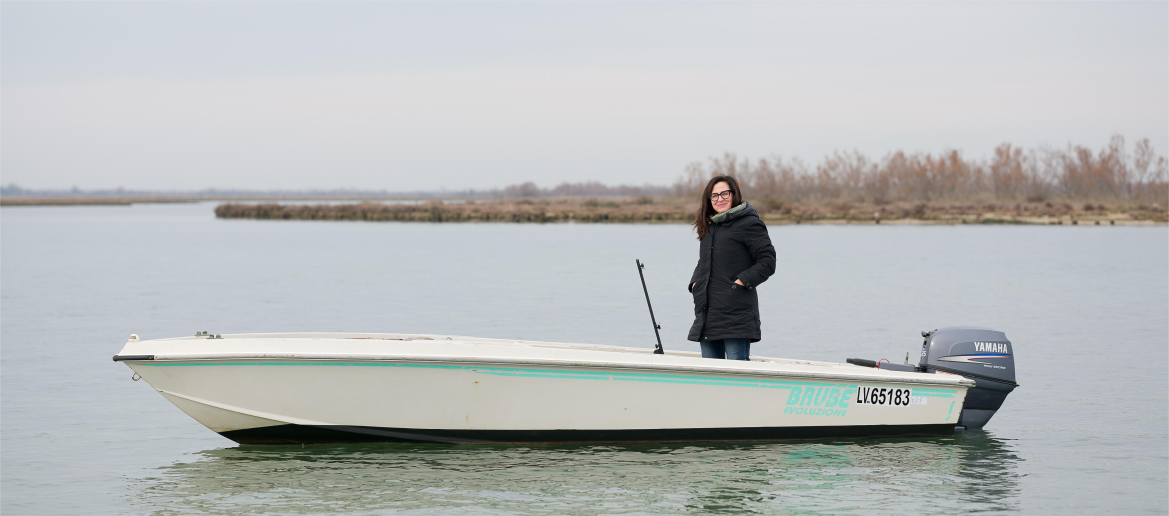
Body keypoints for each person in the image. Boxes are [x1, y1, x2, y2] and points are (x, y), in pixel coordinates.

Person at [687, 176, 776, 360]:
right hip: (707, 314)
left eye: (724, 193)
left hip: (736, 316)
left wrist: (739, 283)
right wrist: (695, 283)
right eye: (714, 196)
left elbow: (767, 261)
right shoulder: (709, 226)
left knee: (738, 378)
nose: (719, 199)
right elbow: (704, 261)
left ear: (734, 195)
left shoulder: (749, 223)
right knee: (711, 380)